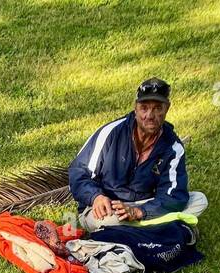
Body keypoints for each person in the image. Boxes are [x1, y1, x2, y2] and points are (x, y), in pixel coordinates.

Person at [68, 78, 207, 231]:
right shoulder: (111, 133)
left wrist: (139, 212)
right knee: (108, 220)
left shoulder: (173, 147)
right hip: (108, 209)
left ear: (167, 109)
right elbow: (78, 171)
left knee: (199, 200)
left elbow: (174, 195)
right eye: (144, 108)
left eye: (157, 108)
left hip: (143, 206)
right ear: (135, 108)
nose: (150, 115)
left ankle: (136, 229)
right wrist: (96, 197)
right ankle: (158, 228)